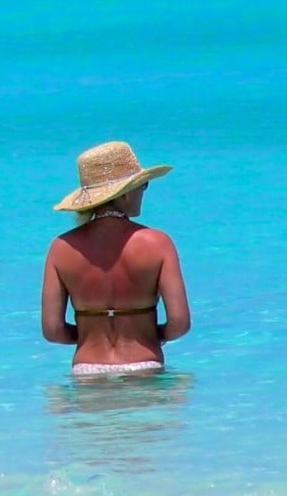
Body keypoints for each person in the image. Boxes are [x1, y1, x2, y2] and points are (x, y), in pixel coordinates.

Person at [40, 141, 191, 375]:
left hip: (86, 370)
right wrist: (147, 335)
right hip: (145, 366)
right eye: (142, 184)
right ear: (126, 192)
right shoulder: (158, 243)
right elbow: (180, 324)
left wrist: (93, 335)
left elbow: (53, 330)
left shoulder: (61, 247)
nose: (143, 190)